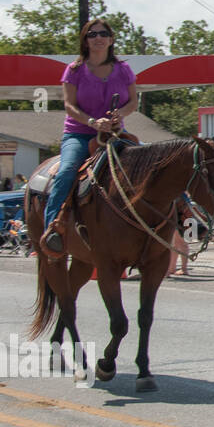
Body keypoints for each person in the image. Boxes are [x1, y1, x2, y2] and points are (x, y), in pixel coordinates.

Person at [40, 18, 137, 255]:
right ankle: (52, 229)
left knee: (153, 163)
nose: (98, 38)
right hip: (80, 134)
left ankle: (180, 218)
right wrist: (93, 122)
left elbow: (133, 101)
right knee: (67, 170)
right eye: (92, 34)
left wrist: (119, 115)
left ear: (111, 39)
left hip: (116, 135)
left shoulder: (123, 69)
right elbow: (69, 106)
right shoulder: (74, 70)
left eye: (103, 34)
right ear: (85, 40)